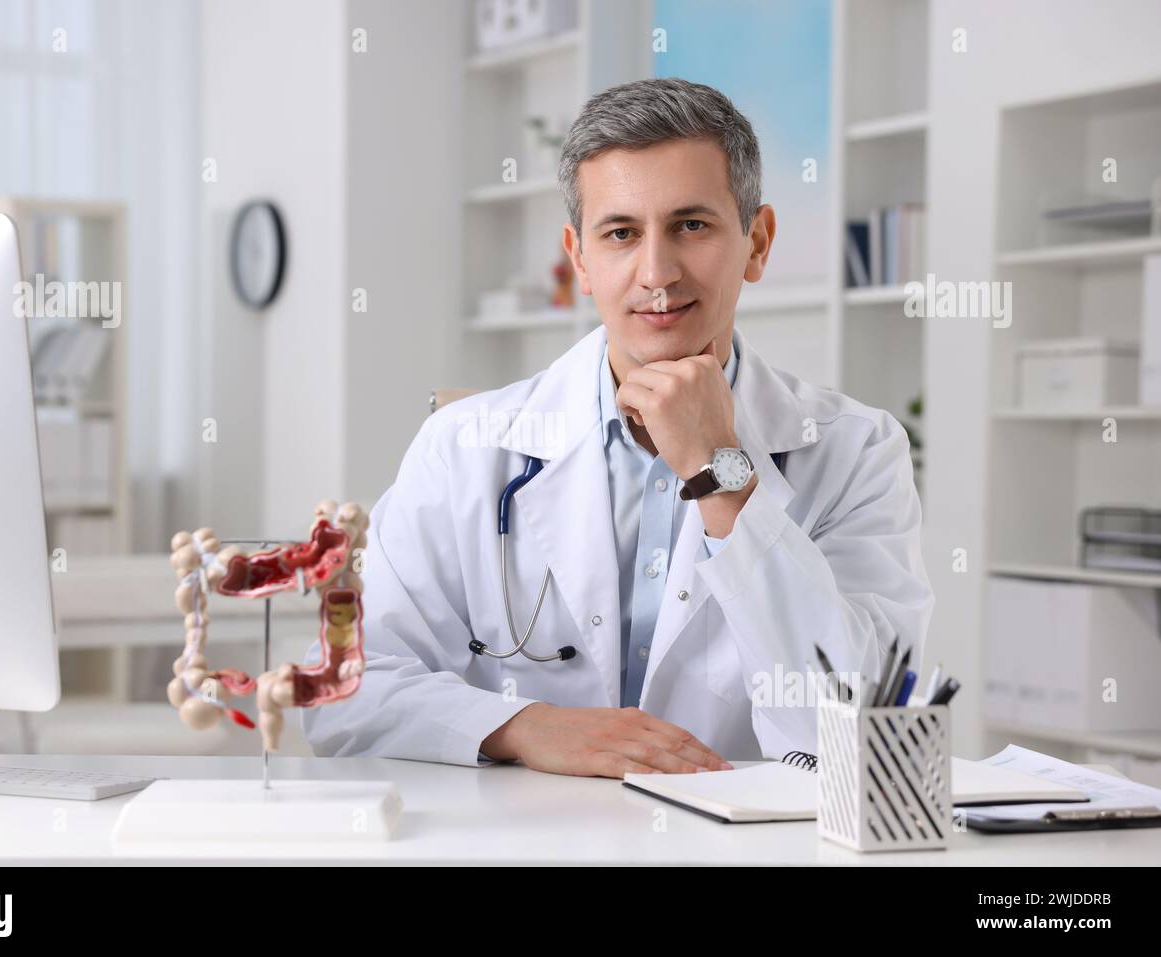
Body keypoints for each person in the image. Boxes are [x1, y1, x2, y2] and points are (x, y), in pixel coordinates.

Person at [302, 77, 933, 778]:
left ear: (757, 242)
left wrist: (721, 468)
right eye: (622, 233)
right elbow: (341, 689)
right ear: (580, 258)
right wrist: (524, 725)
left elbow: (859, 727)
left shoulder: (856, 451)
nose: (656, 272)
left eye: (691, 225)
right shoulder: (463, 447)